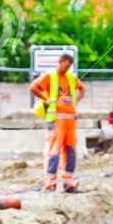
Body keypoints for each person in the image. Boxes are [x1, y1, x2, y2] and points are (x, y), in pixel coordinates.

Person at [28, 53, 84, 193]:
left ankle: (68, 182)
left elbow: (82, 89)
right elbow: (33, 87)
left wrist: (75, 103)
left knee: (71, 151)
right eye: (66, 65)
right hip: (55, 119)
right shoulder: (50, 75)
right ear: (60, 62)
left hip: (70, 119)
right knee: (53, 151)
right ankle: (50, 183)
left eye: (69, 66)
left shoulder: (71, 77)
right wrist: (46, 99)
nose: (67, 68)